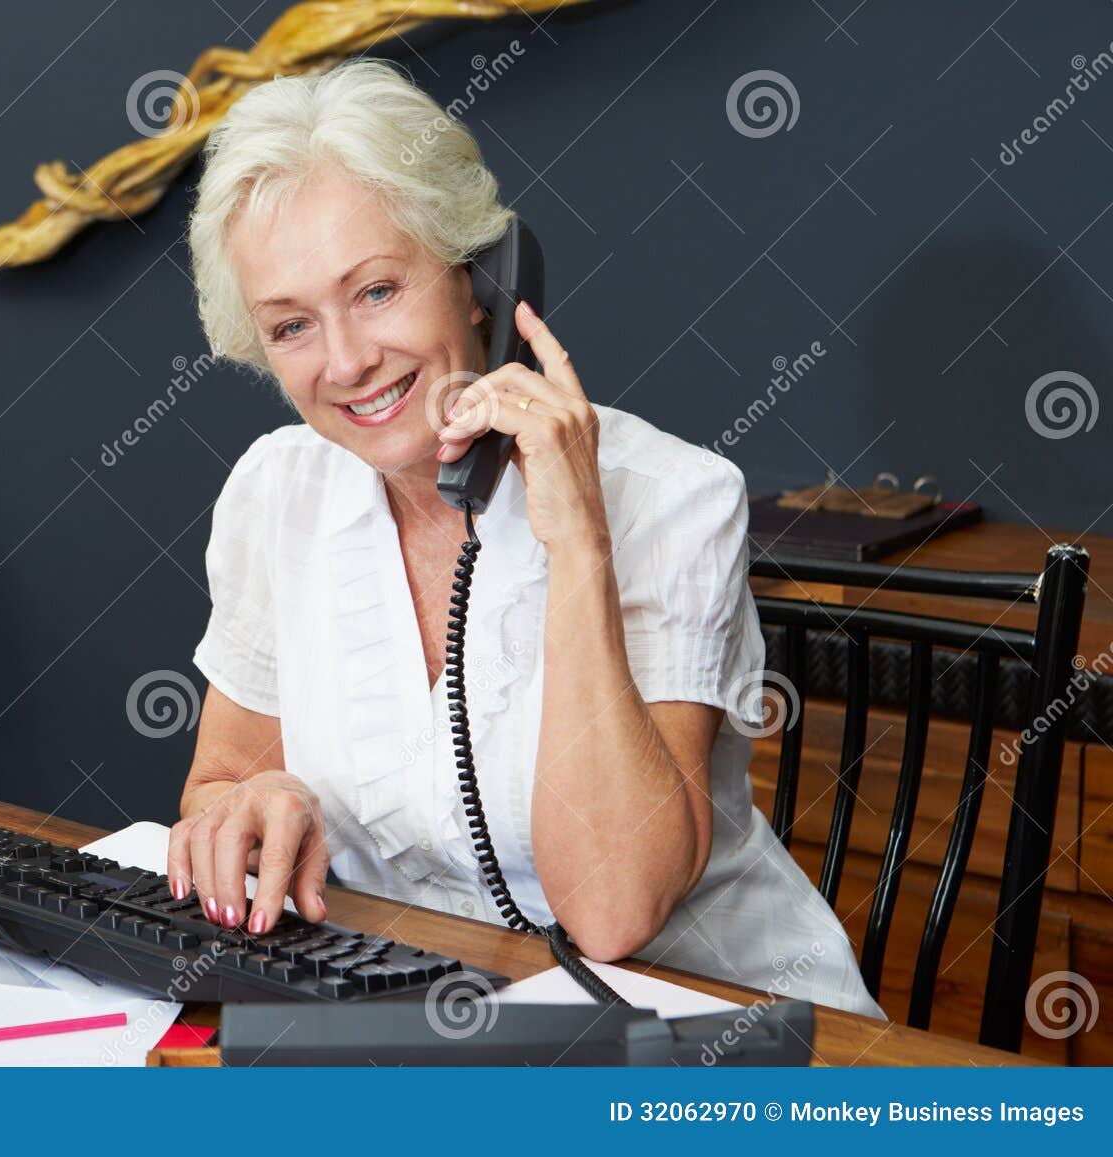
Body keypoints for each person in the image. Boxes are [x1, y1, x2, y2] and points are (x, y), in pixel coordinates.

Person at [167, 59, 881, 1017]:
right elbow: (222, 779)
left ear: (477, 276)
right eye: (292, 325)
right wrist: (251, 810)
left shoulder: (672, 499)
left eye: (376, 290)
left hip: (718, 1033)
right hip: (439, 1022)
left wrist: (578, 541)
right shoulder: (276, 490)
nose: (346, 361)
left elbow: (613, 912)